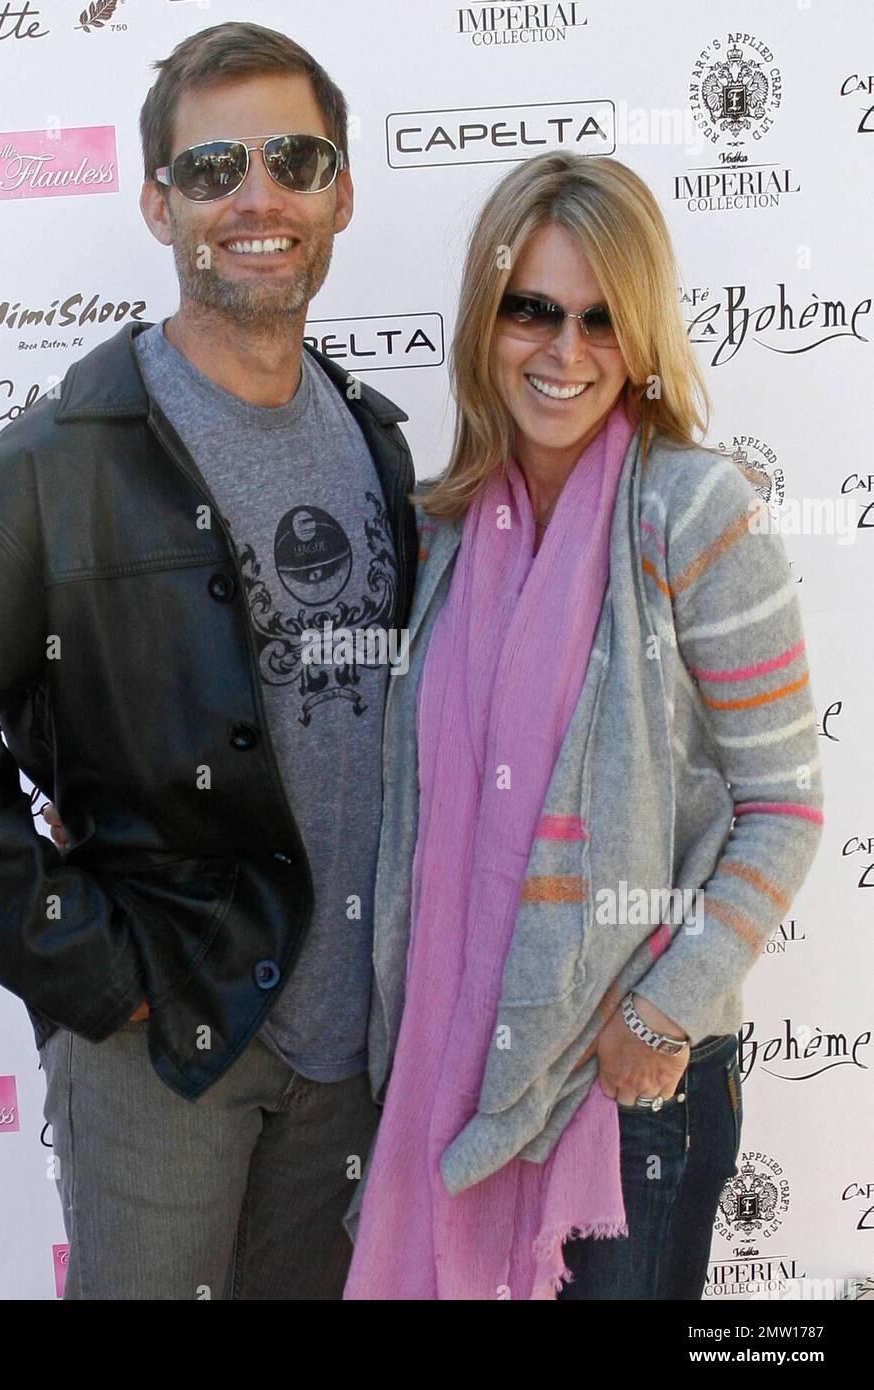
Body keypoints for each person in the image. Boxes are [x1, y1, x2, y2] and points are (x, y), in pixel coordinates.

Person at [0, 22, 418, 1300]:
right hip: (165, 1042)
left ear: (339, 188)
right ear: (158, 204)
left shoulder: (376, 440)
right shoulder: (59, 461)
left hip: (352, 1046)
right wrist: (95, 968)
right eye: (212, 169)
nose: (255, 198)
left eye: (292, 157)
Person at [341, 151, 824, 1300]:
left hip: (627, 1098)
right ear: (486, 318)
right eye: (534, 311)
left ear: (644, 334)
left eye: (602, 320)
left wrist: (655, 1020)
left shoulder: (691, 509)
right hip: (448, 1078)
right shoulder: (442, 531)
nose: (564, 354)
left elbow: (785, 807)